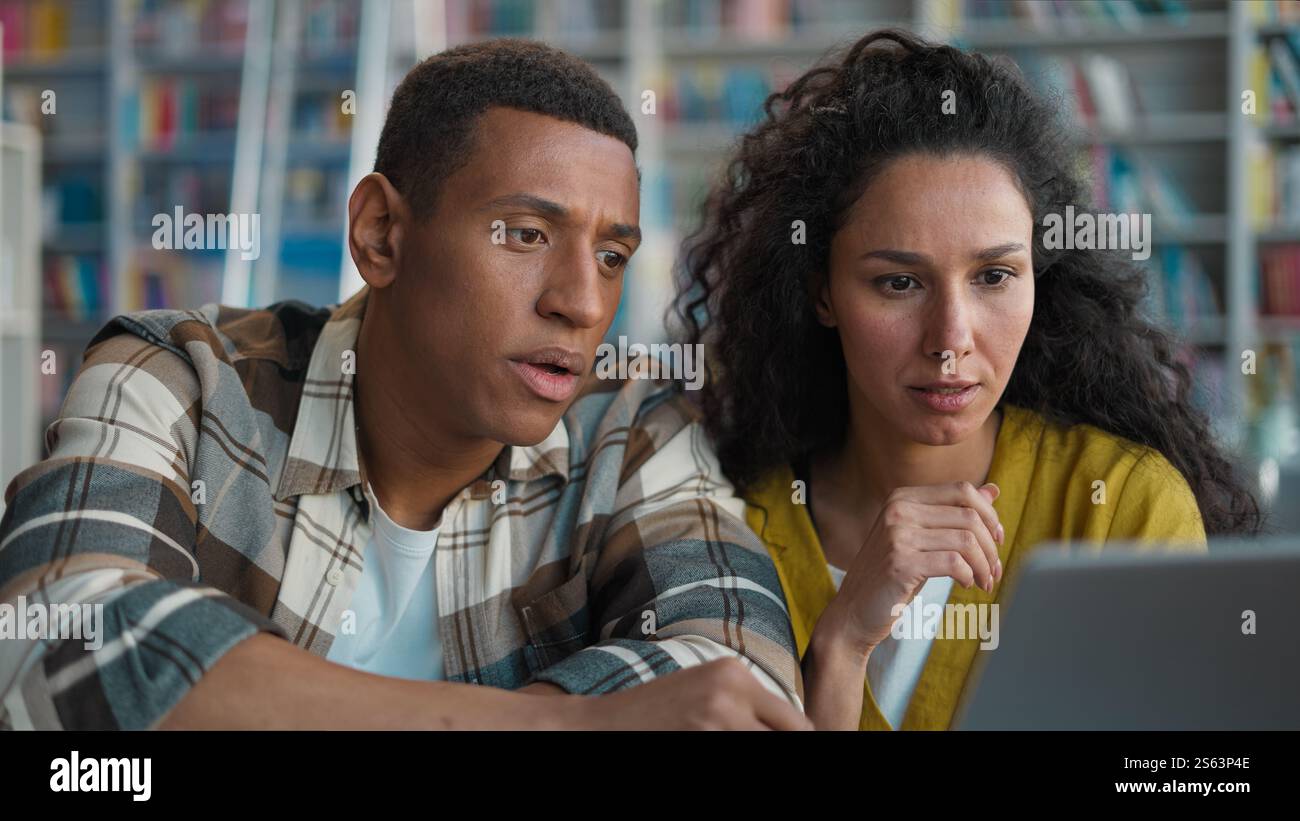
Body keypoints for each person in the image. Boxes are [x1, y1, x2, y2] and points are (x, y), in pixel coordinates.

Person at [0, 39, 809, 731]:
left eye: (611, 255)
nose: (583, 302)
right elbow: (55, 646)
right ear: (381, 234)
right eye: (526, 234)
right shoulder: (182, 379)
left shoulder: (633, 428)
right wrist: (565, 719)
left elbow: (739, 675)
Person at [673, 29, 1261, 731]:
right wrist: (839, 646)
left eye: (993, 276)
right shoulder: (730, 529)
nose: (951, 338)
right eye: (898, 282)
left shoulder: (1121, 507)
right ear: (822, 293)